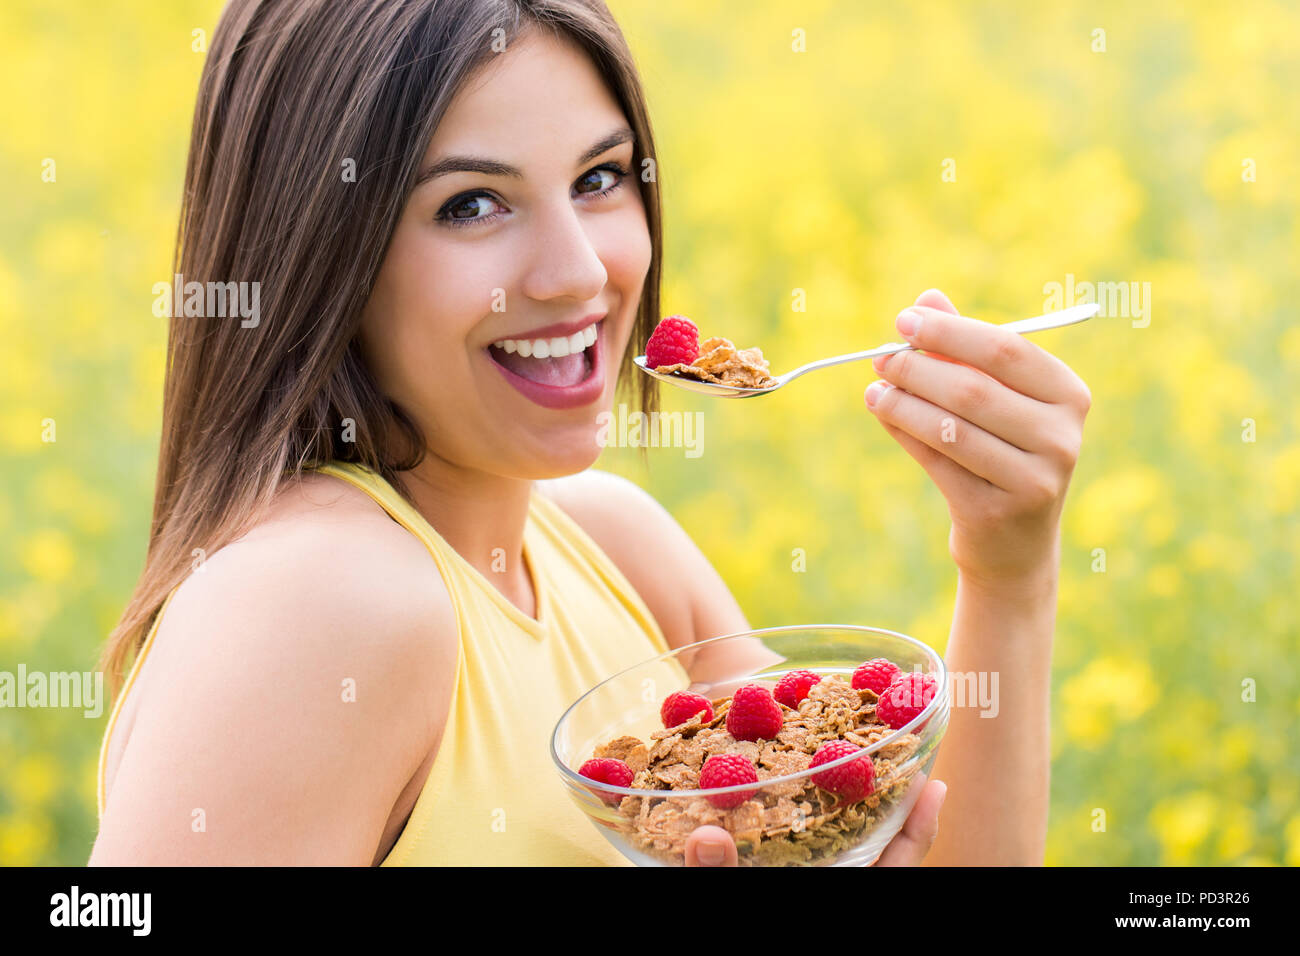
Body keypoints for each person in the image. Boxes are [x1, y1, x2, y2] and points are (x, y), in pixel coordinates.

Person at [90, 0, 1088, 867]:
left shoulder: (617, 545)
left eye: (600, 178)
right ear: (322, 250)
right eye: (471, 204)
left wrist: (1005, 566)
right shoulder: (313, 604)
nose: (575, 271)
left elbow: (895, 832)